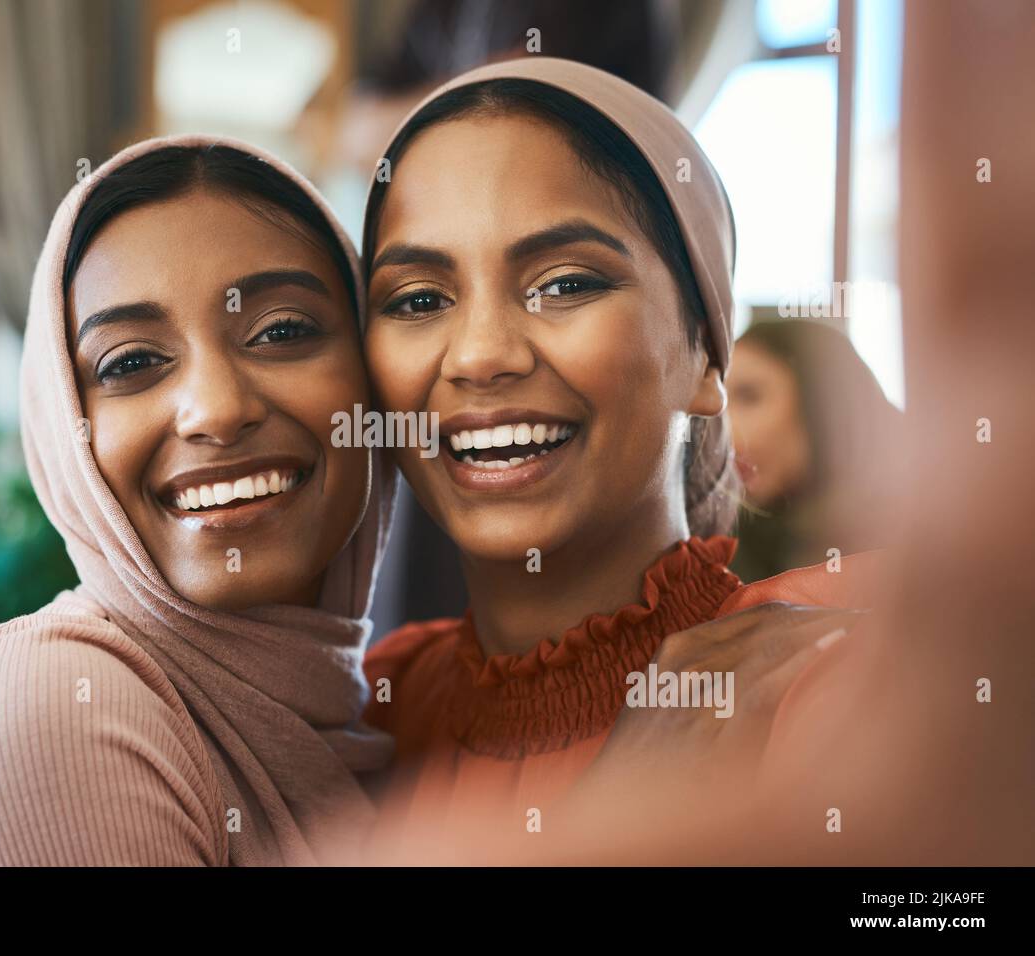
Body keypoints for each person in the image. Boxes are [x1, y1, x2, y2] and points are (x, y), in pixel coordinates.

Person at [0, 136, 395, 866]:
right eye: (132, 362)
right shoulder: (61, 704)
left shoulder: (391, 707)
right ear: (60, 425)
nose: (216, 410)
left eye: (281, 331)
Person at [358, 58, 870, 840]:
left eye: (565, 284)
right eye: (419, 300)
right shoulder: (371, 713)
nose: (481, 354)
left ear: (705, 352)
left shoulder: (822, 669)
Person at [727, 318, 902, 582]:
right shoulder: (729, 549)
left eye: (749, 396)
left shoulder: (933, 538)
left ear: (825, 403)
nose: (723, 430)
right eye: (720, 402)